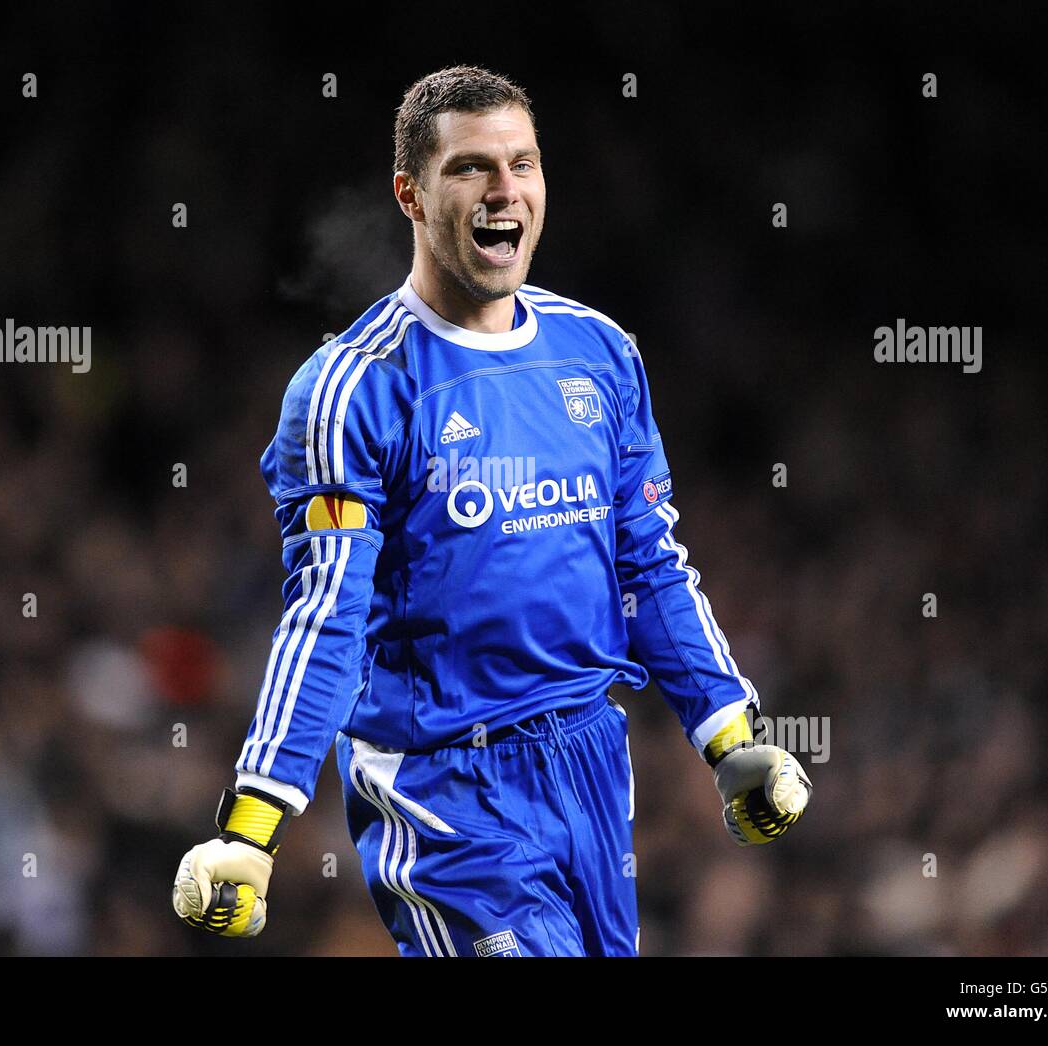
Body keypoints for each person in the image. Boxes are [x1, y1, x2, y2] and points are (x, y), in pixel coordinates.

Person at [172, 64, 813, 956]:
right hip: (446, 793)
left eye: (524, 164)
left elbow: (650, 564)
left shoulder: (599, 354)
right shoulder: (350, 392)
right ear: (411, 193)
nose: (505, 190)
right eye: (473, 167)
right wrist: (253, 823)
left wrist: (729, 734)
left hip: (592, 766)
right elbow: (326, 618)